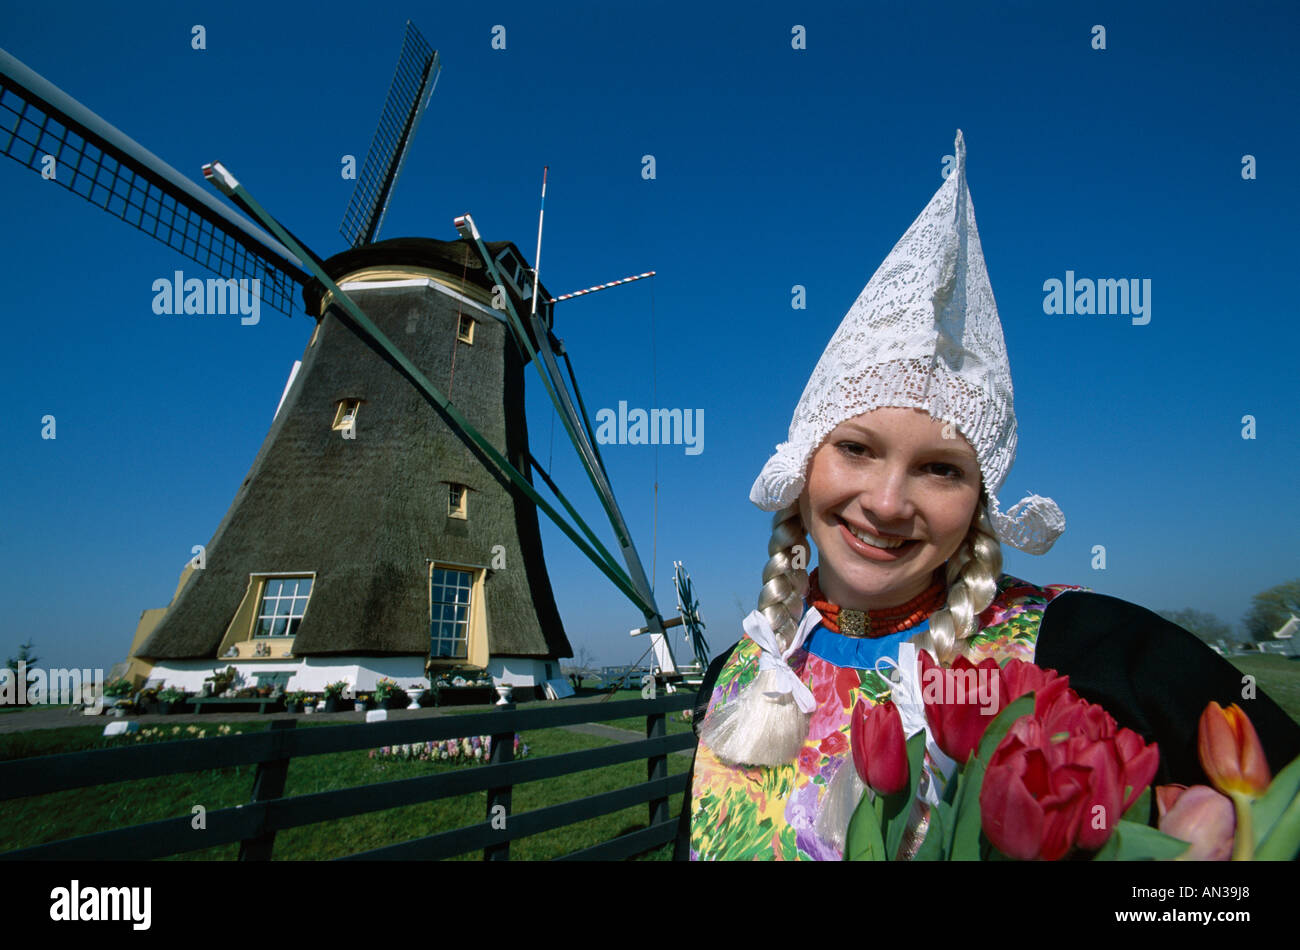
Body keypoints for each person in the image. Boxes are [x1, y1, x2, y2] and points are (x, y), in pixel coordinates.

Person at [676, 131, 1300, 861]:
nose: (885, 502)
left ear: (981, 498)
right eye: (855, 449)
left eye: (940, 469)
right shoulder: (737, 675)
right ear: (805, 464)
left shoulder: (1096, 650)